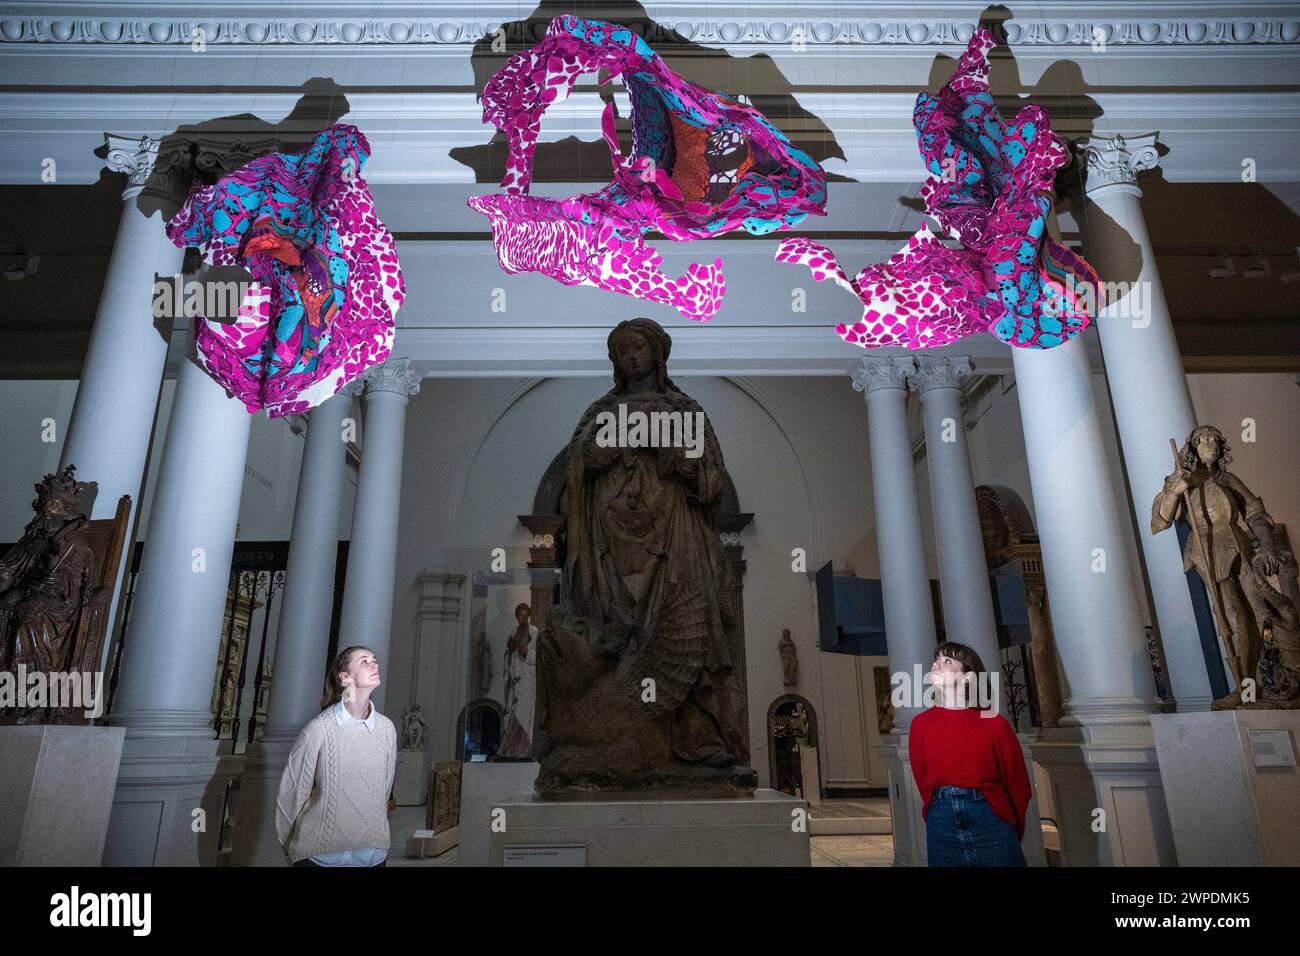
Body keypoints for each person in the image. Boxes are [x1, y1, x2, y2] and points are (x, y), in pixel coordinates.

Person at [909, 641, 1032, 867]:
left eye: (947, 661)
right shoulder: (920, 724)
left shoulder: (992, 722)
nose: (936, 665)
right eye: (936, 660)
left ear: (967, 677)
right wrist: (936, 810)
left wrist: (1009, 825)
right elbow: (922, 778)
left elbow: (1018, 782)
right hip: (941, 821)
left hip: (990, 815)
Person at [275, 645, 397, 867]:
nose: (374, 664)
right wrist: (292, 848)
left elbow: (384, 788)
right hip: (319, 857)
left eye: (375, 660)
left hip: (373, 855)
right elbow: (291, 794)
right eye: (364, 661)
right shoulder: (319, 728)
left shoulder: (386, 729)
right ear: (345, 676)